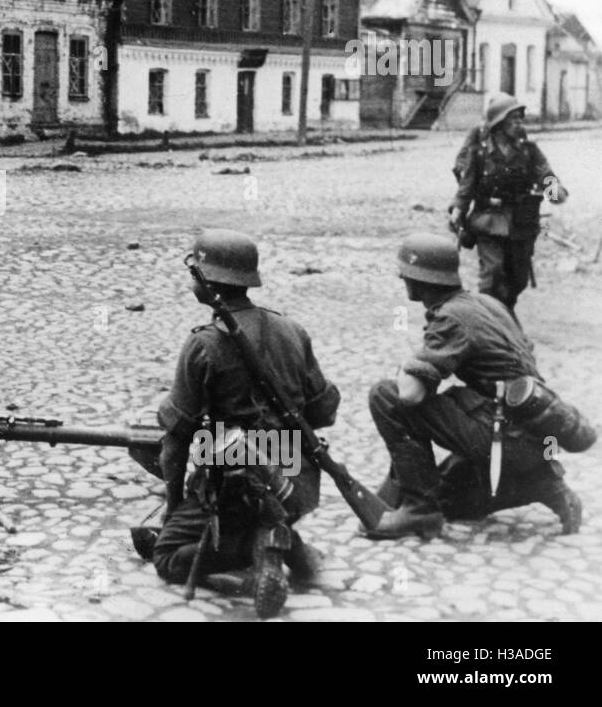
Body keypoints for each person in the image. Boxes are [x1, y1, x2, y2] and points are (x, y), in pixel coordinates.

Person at [131, 229, 340, 617]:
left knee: (166, 557)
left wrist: (174, 505)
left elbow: (176, 442)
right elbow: (325, 411)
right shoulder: (292, 330)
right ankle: (286, 541)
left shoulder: (204, 344)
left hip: (239, 483)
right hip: (297, 481)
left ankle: (265, 545)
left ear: (207, 282)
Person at [366, 233, 587, 539]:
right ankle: (543, 484)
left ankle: (420, 509)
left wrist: (409, 364)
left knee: (385, 395)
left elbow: (409, 394)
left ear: (418, 280)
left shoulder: (452, 319)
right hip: (533, 435)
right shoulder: (487, 303)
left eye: (406, 275)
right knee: (450, 499)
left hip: (504, 438)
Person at [449, 92, 566, 316]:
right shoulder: (480, 152)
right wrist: (458, 210)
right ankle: (489, 321)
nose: (519, 123)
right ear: (499, 123)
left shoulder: (528, 150)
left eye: (520, 118)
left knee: (517, 279)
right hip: (488, 221)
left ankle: (505, 312)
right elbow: (466, 186)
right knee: (491, 275)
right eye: (513, 118)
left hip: (521, 223)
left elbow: (545, 174)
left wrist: (554, 191)